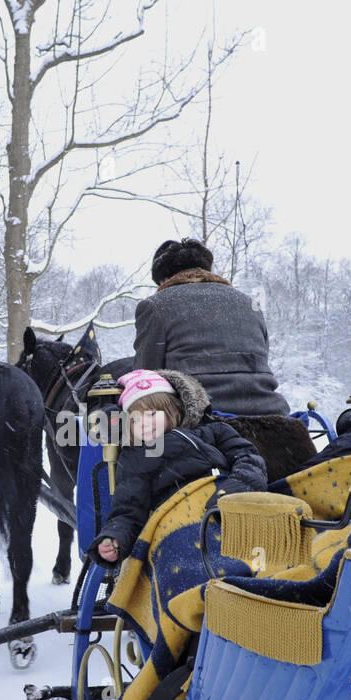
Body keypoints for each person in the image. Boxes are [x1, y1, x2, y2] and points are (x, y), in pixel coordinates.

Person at [94, 369, 267, 565]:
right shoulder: (135, 458)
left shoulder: (212, 431)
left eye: (151, 414)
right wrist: (115, 537)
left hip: (230, 503)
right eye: (134, 418)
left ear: (171, 411)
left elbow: (248, 458)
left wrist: (236, 489)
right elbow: (128, 509)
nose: (144, 423)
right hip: (181, 521)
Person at [133, 238, 290, 417]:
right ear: (205, 269)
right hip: (266, 409)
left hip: (198, 413)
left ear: (165, 278)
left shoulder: (156, 305)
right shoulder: (250, 303)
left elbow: (144, 376)